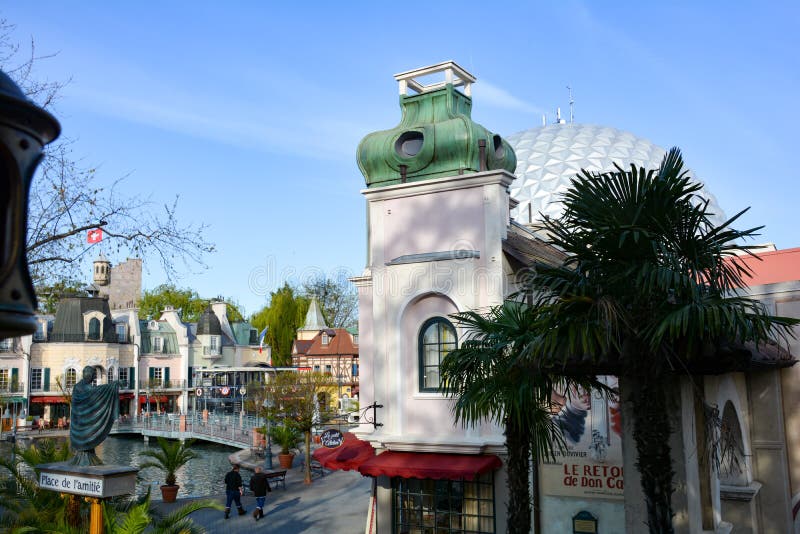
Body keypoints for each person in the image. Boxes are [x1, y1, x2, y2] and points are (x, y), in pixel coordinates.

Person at [69, 366, 121, 465]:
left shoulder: (77, 387)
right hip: (80, 421)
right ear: (89, 375)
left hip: (78, 421)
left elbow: (94, 390)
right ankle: (85, 456)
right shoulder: (82, 388)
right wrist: (113, 385)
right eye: (93, 375)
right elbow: (96, 390)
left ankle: (85, 454)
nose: (94, 378)